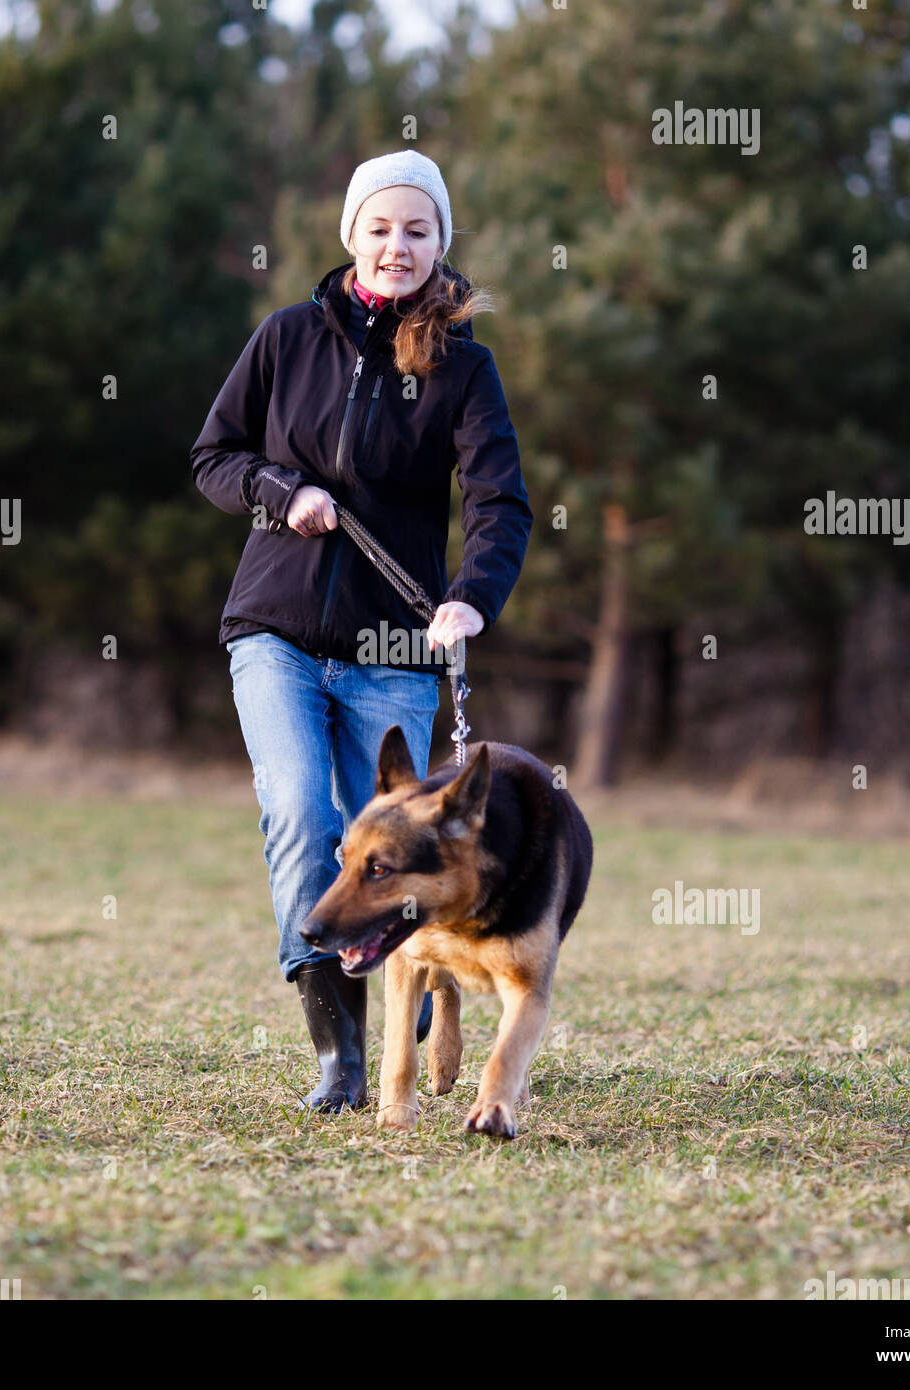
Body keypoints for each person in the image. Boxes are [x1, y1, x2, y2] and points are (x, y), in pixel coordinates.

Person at [189, 150, 532, 1113]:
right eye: (380, 227)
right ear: (350, 236)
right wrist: (279, 489)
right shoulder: (287, 337)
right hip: (277, 628)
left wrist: (470, 596)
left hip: (392, 646)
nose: (397, 246)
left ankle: (398, 989)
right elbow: (213, 455)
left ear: (439, 245)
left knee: (386, 845)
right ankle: (338, 1052)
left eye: (417, 230)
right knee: (301, 812)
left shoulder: (463, 366)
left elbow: (501, 502)